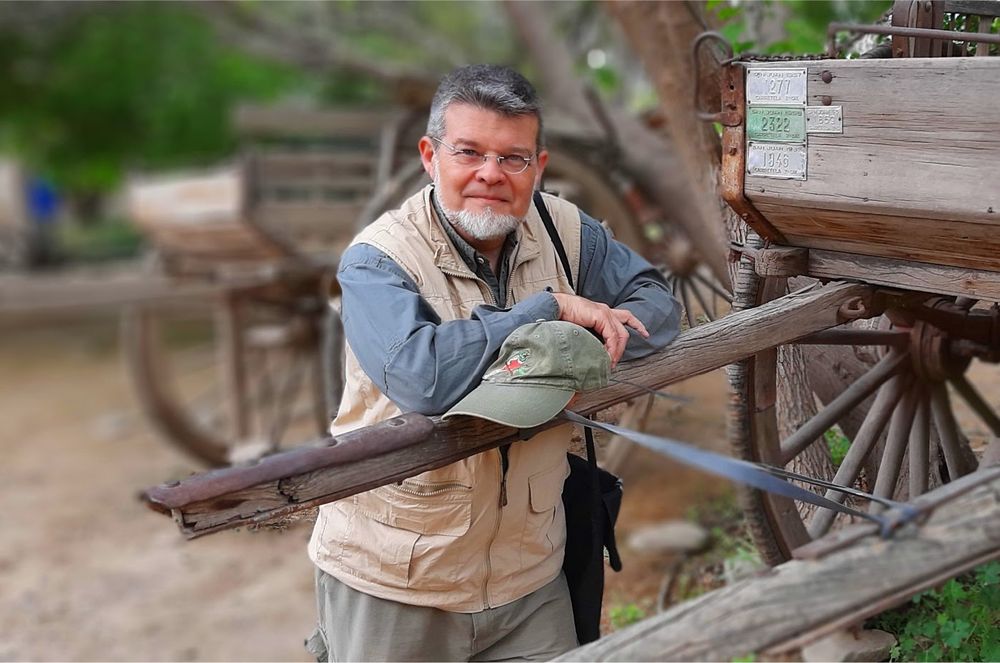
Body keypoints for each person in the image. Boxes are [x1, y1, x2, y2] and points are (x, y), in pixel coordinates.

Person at [306, 64, 681, 662]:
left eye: (513, 158)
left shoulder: (563, 230)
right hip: (399, 584)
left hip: (530, 578)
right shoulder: (377, 260)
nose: (490, 174)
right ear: (430, 156)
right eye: (469, 152)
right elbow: (422, 378)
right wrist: (550, 311)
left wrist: (574, 351)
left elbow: (658, 307)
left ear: (539, 166)